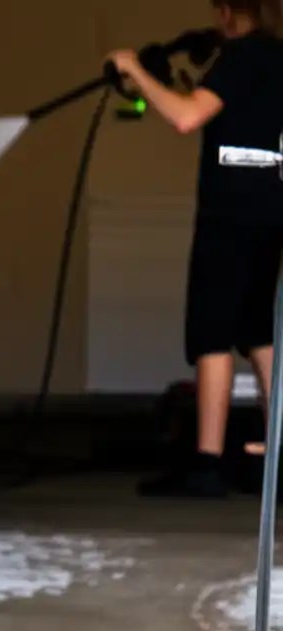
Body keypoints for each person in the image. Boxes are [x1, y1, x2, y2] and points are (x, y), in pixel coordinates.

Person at [108, 0, 283, 497]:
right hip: (271, 206)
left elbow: (187, 117)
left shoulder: (242, 55)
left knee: (212, 331)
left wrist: (134, 70)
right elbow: (235, 118)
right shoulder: (276, 57)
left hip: (229, 213)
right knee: (257, 329)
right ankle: (277, 456)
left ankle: (207, 462)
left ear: (228, 11)